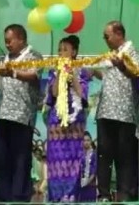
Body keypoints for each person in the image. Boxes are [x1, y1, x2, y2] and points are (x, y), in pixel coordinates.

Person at [0, 24, 43, 202]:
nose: (7, 45)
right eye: (6, 41)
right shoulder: (3, 59)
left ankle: (19, 195)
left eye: (10, 41)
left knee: (20, 158)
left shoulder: (34, 56)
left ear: (21, 39)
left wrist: (13, 72)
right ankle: (3, 193)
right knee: (1, 157)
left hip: (21, 115)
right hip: (2, 115)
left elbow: (34, 76)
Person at [94, 20, 139, 201]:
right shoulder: (109, 55)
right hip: (105, 111)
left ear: (119, 34)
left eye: (107, 36)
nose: (105, 39)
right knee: (104, 154)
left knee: (125, 155)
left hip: (125, 112)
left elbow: (136, 74)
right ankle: (103, 194)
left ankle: (125, 194)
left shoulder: (134, 52)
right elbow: (108, 76)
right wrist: (94, 72)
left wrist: (122, 65)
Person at [44, 35, 89, 202]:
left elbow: (82, 95)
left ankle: (70, 198)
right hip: (57, 121)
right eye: (59, 50)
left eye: (65, 49)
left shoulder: (82, 70)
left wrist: (73, 75)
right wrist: (60, 74)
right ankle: (56, 197)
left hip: (75, 121)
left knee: (73, 160)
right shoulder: (53, 71)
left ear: (74, 52)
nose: (61, 53)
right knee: (56, 160)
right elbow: (54, 93)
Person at [78, 132, 97, 202]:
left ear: (91, 141)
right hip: (80, 187)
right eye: (84, 140)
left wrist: (87, 182)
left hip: (91, 186)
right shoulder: (79, 154)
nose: (86, 142)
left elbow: (94, 171)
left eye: (88, 140)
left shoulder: (94, 154)